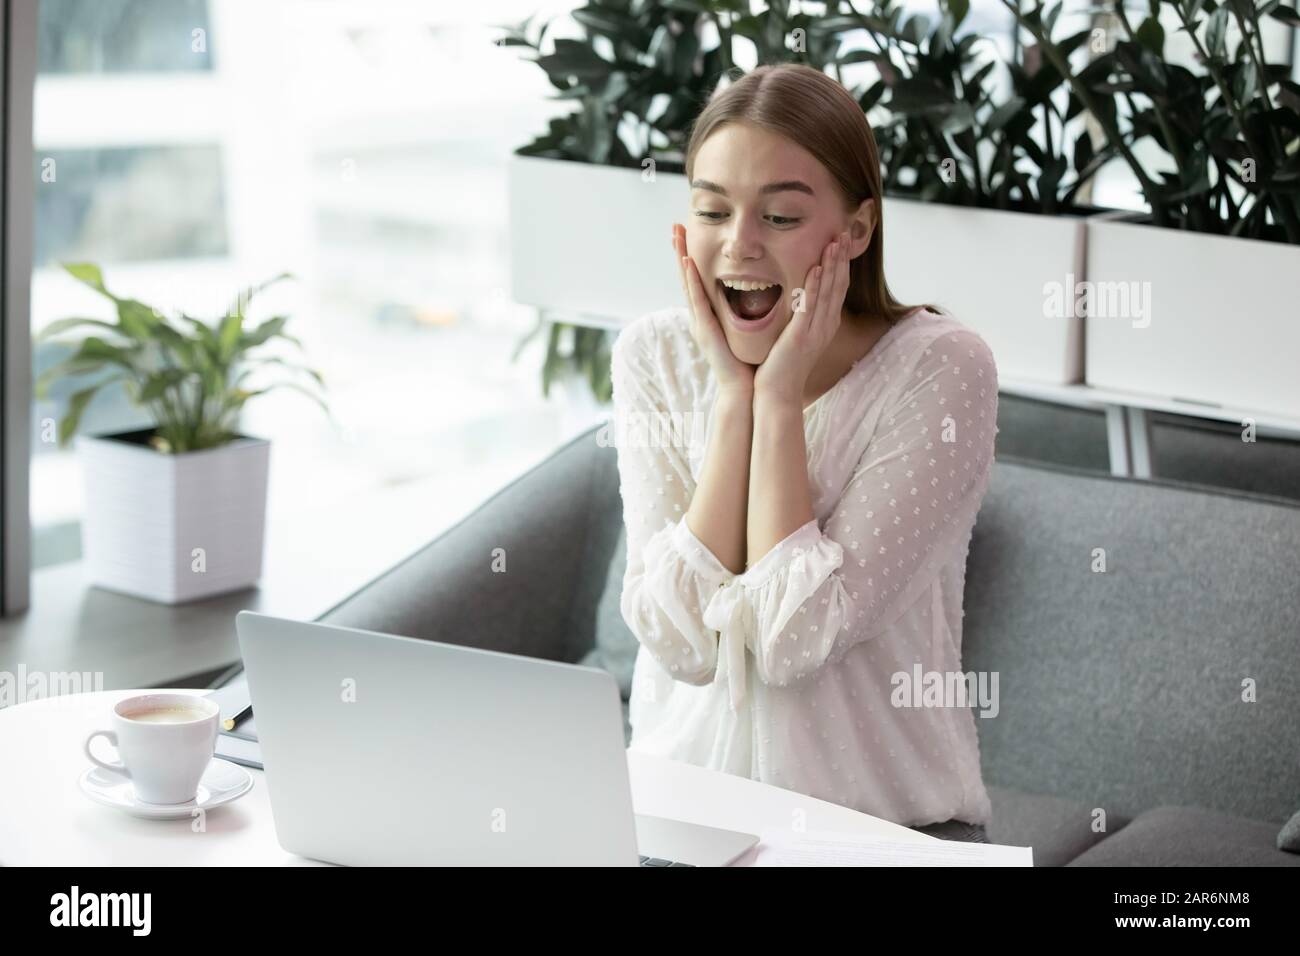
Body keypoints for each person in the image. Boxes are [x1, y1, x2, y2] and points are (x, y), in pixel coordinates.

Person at [610, 63, 999, 844]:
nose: (740, 244)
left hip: (880, 832)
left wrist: (777, 398)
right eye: (713, 210)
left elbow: (795, 641)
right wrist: (732, 398)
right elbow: (677, 639)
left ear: (854, 230)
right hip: (671, 821)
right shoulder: (654, 354)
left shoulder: (943, 368)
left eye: (781, 218)